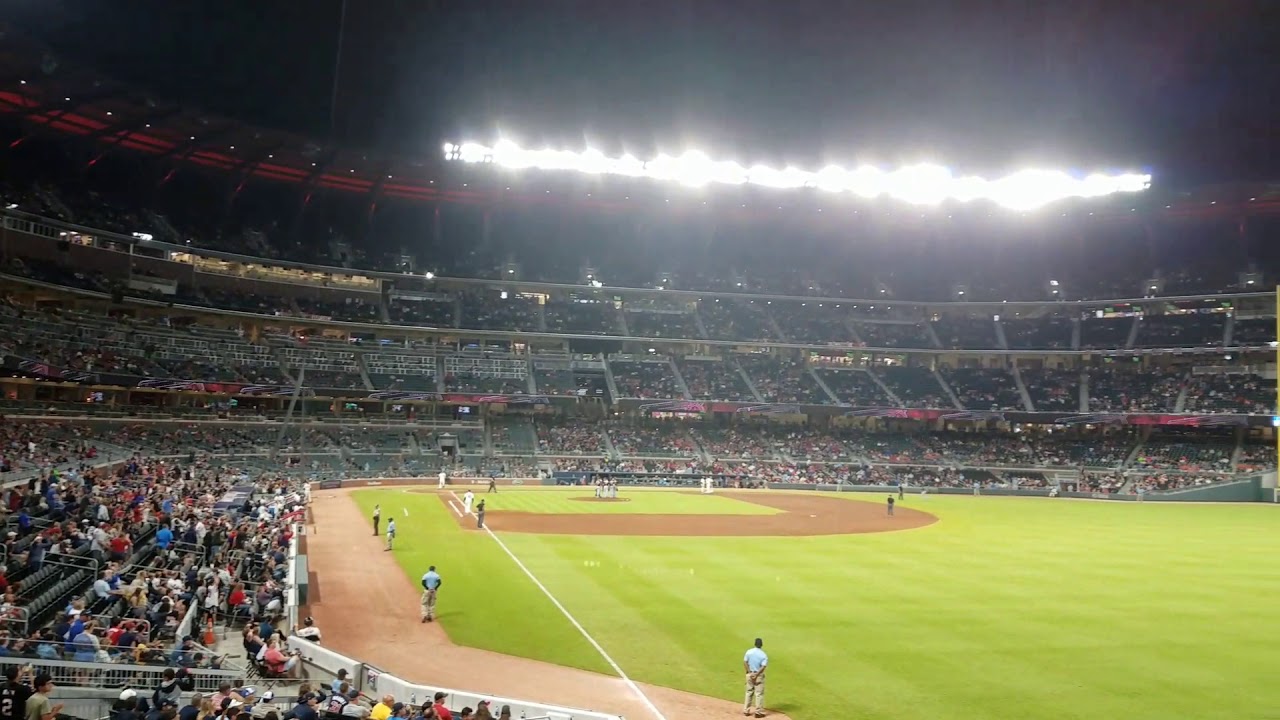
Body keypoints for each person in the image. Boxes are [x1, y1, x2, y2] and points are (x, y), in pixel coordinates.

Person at [742, 638, 768, 718]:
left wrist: (749, 672)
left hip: (749, 674)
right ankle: (758, 712)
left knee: (749, 692)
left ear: (755, 644)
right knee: (759, 694)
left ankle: (746, 711)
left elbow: (745, 662)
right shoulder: (763, 655)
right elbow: (763, 666)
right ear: (761, 645)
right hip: (758, 676)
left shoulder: (749, 652)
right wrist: (756, 674)